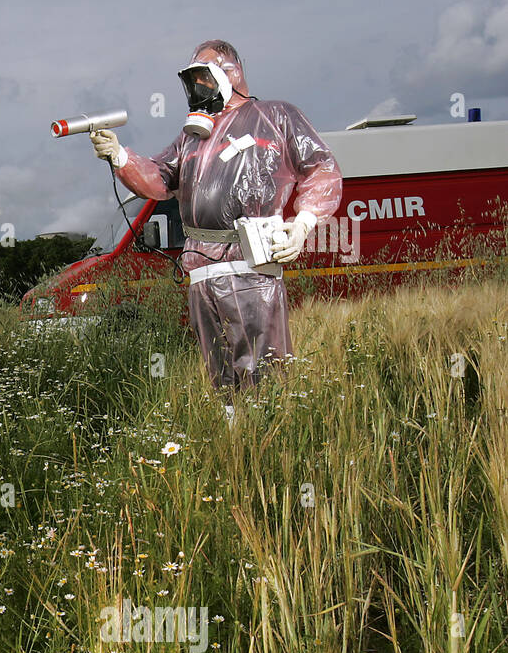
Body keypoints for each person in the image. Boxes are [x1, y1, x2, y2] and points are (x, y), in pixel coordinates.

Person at [90, 40, 342, 398]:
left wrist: (302, 224)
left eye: (203, 79)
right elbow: (161, 179)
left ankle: (268, 441)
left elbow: (322, 169)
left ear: (230, 75)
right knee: (221, 378)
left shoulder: (276, 117)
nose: (197, 90)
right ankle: (230, 442)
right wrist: (119, 156)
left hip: (251, 267)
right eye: (191, 82)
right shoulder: (192, 138)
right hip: (202, 272)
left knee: (263, 376)